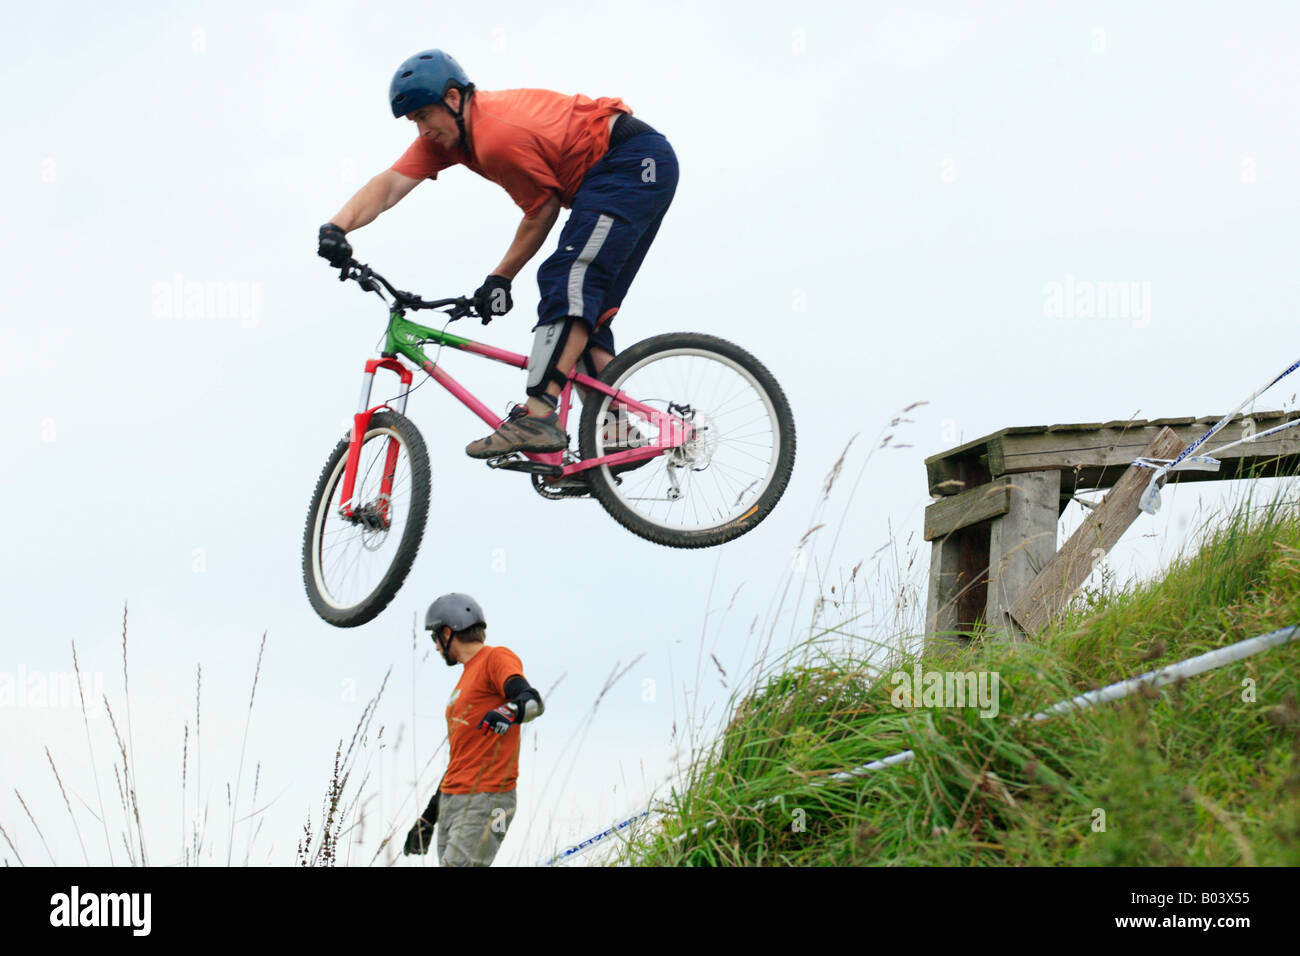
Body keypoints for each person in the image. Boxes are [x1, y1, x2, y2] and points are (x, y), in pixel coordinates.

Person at [318, 49, 679, 459]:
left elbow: (541, 211)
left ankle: (539, 415)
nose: (421, 130)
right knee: (581, 309)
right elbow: (388, 186)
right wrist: (337, 227)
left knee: (567, 279)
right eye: (413, 122)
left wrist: (500, 277)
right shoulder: (444, 139)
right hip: (622, 173)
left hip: (631, 163)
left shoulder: (495, 134)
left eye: (423, 116)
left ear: (453, 99)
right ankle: (616, 430)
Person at [402, 592, 543, 867]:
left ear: (446, 632)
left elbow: (532, 701)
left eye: (434, 638)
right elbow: (461, 759)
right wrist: (429, 817)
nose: (436, 647)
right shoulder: (464, 680)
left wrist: (509, 711)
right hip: (453, 802)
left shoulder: (495, 658)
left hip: (489, 799)